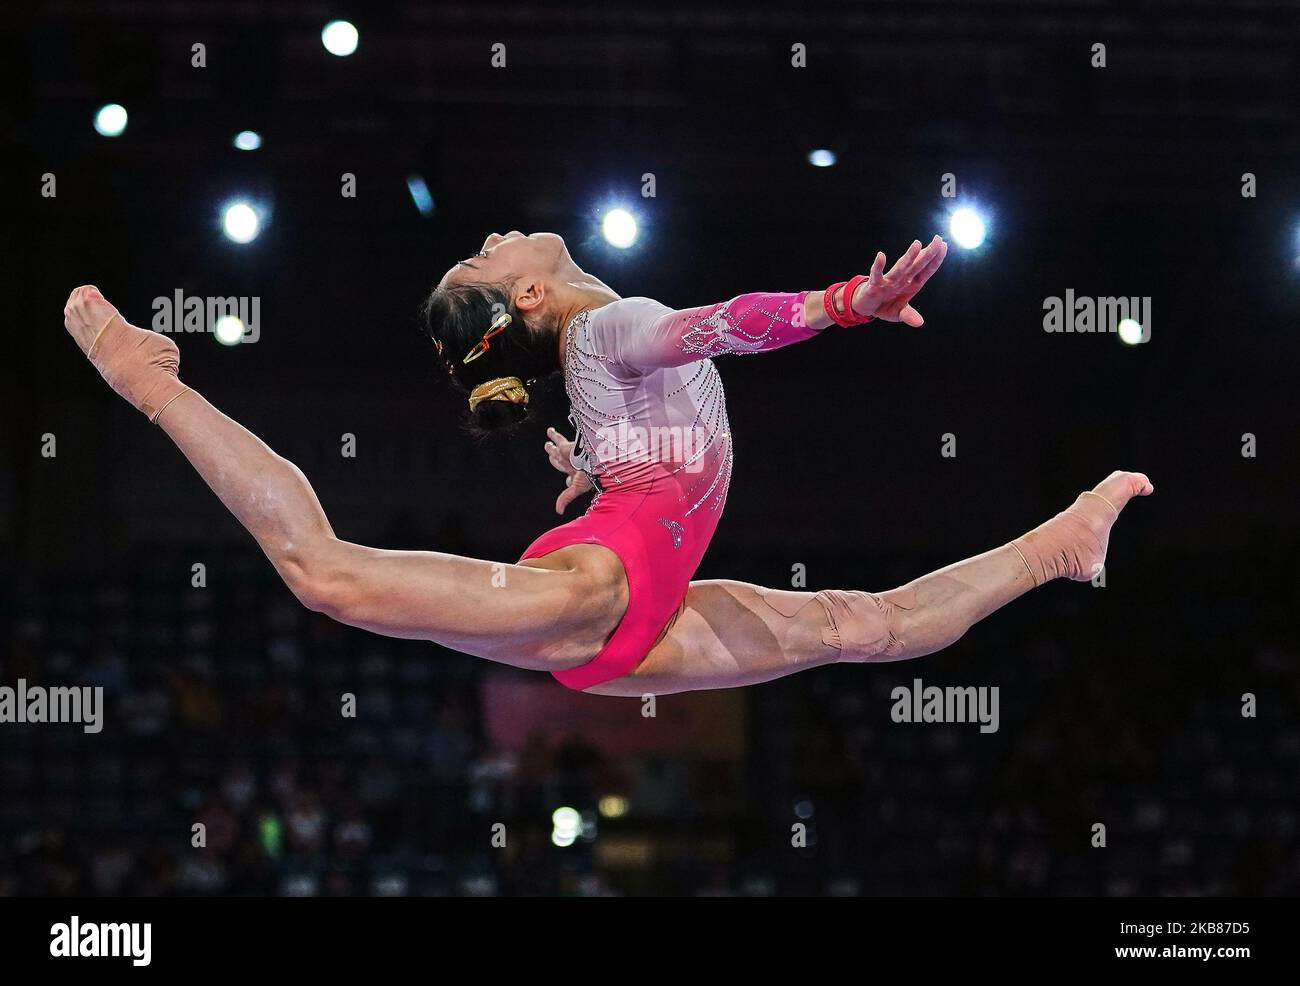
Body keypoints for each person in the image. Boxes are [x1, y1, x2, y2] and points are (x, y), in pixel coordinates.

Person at [62, 230, 1151, 697]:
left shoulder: (591, 362)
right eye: (484, 259)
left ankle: (1057, 544)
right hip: (604, 589)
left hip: (629, 604)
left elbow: (673, 442)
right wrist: (841, 305)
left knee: (868, 626)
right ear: (525, 295)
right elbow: (719, 326)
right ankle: (152, 382)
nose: (496, 237)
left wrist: (600, 462)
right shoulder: (609, 327)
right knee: (327, 574)